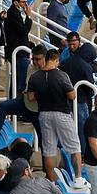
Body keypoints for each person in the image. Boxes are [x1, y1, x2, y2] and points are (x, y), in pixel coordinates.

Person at [26, 46, 80, 181]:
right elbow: (72, 96)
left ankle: (52, 181)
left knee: (49, 150)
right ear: (55, 59)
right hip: (62, 113)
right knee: (74, 146)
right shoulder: (61, 75)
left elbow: (31, 97)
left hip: (44, 114)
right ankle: (78, 178)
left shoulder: (34, 77)